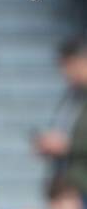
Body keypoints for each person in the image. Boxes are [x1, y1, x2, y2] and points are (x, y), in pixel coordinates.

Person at [33, 37, 87, 196]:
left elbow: (71, 142)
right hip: (69, 188)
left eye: (68, 65)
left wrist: (69, 146)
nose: (65, 72)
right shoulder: (72, 96)